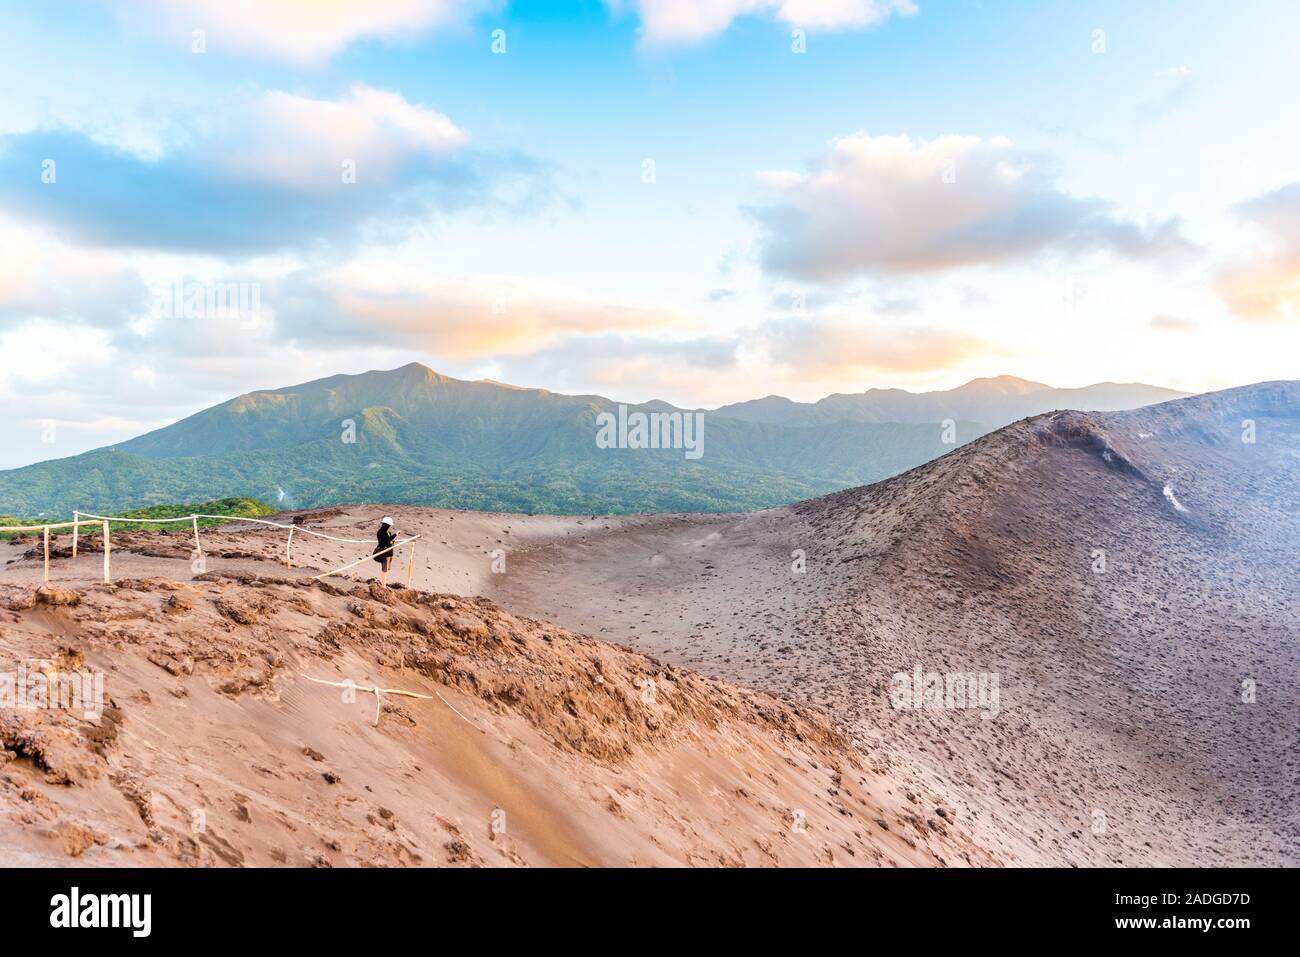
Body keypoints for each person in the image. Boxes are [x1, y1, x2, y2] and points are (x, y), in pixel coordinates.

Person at [373, 516, 397, 586]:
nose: (389, 526)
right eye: (389, 525)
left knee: (386, 570)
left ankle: (384, 584)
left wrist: (393, 538)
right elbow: (386, 542)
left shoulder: (388, 532)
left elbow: (389, 540)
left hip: (387, 552)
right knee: (384, 570)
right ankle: (383, 586)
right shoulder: (381, 532)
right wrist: (394, 536)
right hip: (381, 552)